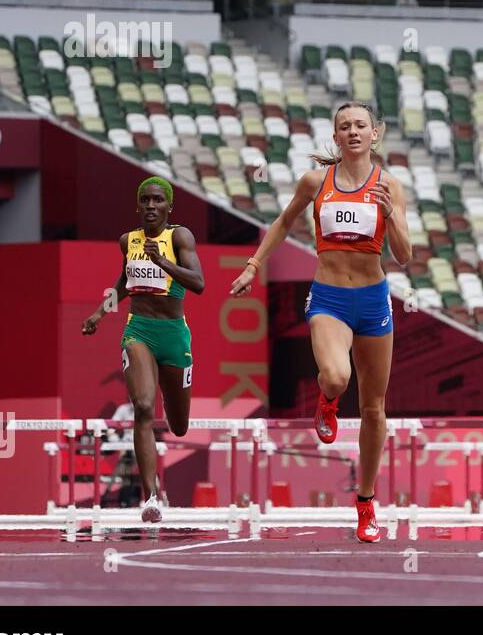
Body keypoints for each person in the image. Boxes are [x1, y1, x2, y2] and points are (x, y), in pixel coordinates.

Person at [230, 102, 411, 543]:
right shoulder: (316, 182)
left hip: (373, 300)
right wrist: (254, 265)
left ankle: (366, 503)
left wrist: (390, 214)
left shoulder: (389, 186)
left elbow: (405, 255)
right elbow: (283, 221)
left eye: (360, 126)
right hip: (329, 296)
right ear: (335, 136)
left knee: (374, 407)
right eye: (344, 126)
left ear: (375, 134)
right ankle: (327, 398)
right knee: (335, 375)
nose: (352, 132)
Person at [81, 177, 205, 523]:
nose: (151, 206)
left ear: (168, 207)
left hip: (174, 336)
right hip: (139, 330)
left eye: (157, 200)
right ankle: (151, 497)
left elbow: (199, 284)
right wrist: (99, 312)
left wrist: (164, 262)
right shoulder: (128, 240)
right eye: (145, 200)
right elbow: (123, 281)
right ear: (138, 207)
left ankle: (155, 484)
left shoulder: (179, 237)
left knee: (179, 425)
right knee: (144, 407)